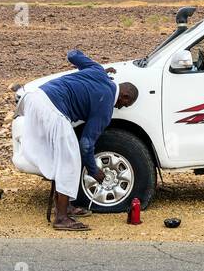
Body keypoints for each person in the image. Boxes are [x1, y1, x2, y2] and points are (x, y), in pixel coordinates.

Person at [18, 49, 138, 231]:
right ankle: (61, 218)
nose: (120, 107)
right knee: (69, 162)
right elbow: (86, 143)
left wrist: (98, 69)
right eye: (124, 104)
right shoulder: (105, 106)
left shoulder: (97, 70)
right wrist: (93, 169)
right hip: (53, 111)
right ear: (125, 96)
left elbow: (72, 54)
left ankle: (66, 206)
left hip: (34, 99)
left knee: (61, 157)